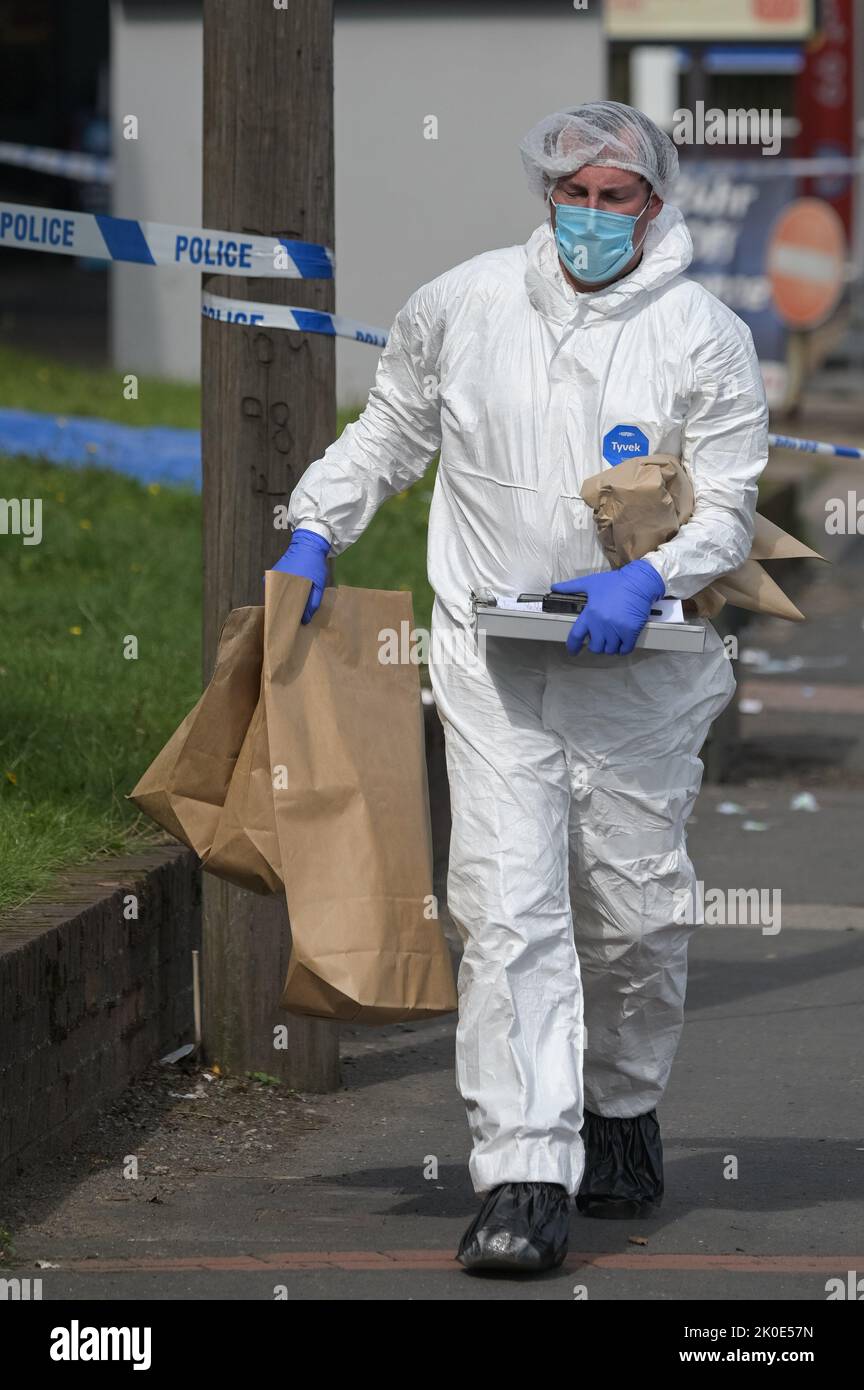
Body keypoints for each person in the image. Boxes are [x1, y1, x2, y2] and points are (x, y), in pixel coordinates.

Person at [272, 101, 769, 1274]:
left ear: (655, 203)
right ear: (546, 194)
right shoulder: (464, 304)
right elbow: (390, 433)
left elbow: (733, 504)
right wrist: (316, 525)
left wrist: (648, 576)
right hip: (492, 664)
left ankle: (622, 1105)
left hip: (641, 679)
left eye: (616, 197)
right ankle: (525, 1176)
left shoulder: (703, 334)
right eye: (573, 193)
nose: (591, 216)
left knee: (633, 915)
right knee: (506, 912)